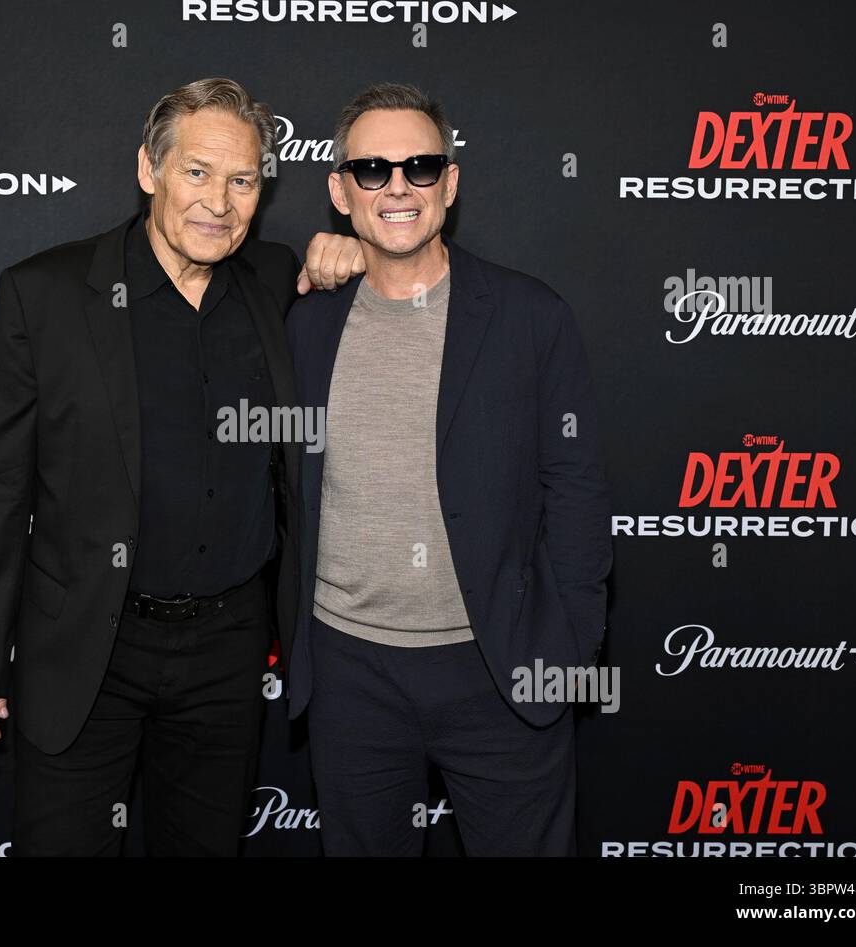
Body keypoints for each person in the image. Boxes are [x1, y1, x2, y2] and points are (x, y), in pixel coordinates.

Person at [0, 77, 362, 855]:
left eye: (242, 180)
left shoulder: (274, 279)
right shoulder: (47, 293)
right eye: (197, 173)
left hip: (229, 649)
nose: (219, 202)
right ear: (149, 170)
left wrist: (352, 247)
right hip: (88, 645)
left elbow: (380, 260)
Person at [284, 82, 613, 856]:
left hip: (500, 666)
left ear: (451, 183)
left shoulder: (532, 316)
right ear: (339, 190)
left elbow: (575, 485)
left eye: (421, 166)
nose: (397, 186)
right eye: (371, 170)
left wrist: (568, 644)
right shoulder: (304, 317)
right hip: (348, 675)